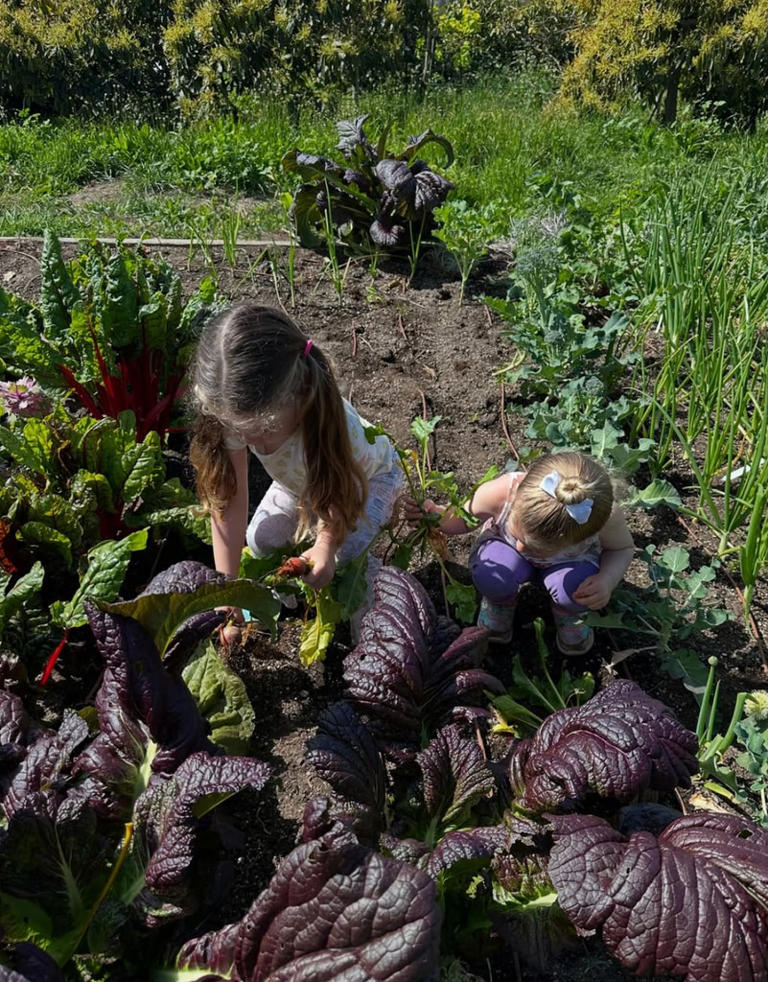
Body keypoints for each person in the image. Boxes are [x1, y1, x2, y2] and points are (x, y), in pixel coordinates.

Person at [188, 302, 401, 634]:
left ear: (298, 397)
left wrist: (326, 545)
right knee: (260, 540)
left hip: (367, 481)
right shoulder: (239, 413)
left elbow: (340, 488)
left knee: (349, 556)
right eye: (241, 431)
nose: (251, 441)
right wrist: (225, 594)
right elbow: (228, 498)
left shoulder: (335, 425)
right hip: (299, 483)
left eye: (263, 430)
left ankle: (376, 615)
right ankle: (283, 597)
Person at [402, 451, 634, 654]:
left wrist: (606, 580)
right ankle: (500, 602)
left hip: (568, 565)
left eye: (535, 547)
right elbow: (462, 520)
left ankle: (567, 612)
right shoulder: (502, 492)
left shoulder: (600, 518)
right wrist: (434, 516)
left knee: (577, 590)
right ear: (517, 499)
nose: (522, 547)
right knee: (490, 574)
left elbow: (621, 549)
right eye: (520, 536)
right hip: (505, 551)